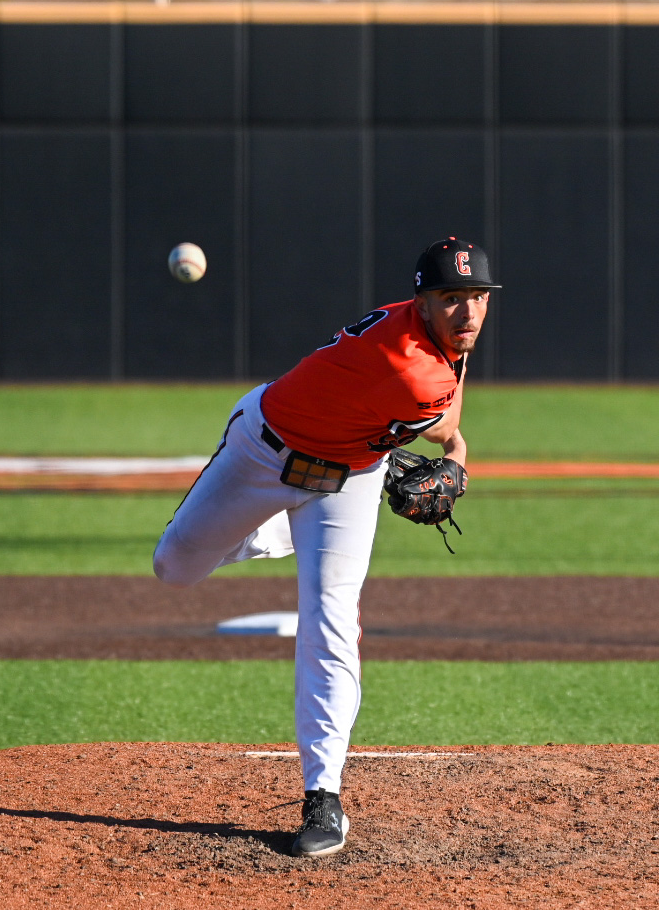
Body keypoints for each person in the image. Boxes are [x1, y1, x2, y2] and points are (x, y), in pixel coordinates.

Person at [152, 237, 496, 857]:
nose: (467, 312)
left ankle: (323, 794)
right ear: (422, 302)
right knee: (174, 567)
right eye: (452, 298)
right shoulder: (411, 370)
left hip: (350, 477)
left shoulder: (432, 330)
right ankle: (279, 527)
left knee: (331, 617)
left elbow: (451, 375)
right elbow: (445, 424)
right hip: (263, 452)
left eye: (478, 296)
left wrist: (443, 444)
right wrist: (458, 458)